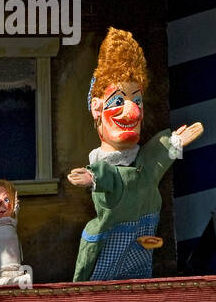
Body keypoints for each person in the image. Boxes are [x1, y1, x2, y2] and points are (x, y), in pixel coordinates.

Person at [68, 28, 203, 282]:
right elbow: (112, 179)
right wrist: (91, 177)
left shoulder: (143, 161)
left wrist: (175, 142)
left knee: (138, 283)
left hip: (142, 237)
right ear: (98, 108)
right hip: (112, 238)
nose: (131, 111)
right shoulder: (105, 164)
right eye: (118, 101)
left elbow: (155, 159)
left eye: (136, 101)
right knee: (100, 286)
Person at [0, 179, 32, 288]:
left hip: (15, 269)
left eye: (6, 199)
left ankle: (15, 279)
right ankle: (1, 280)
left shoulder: (12, 224)